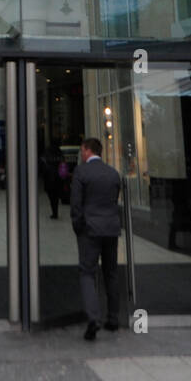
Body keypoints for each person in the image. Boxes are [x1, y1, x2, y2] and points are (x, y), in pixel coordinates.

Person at [71, 136, 123, 341]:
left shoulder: (81, 172)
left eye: (82, 150)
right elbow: (114, 200)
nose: (81, 154)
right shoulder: (113, 173)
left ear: (87, 150)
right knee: (111, 272)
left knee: (87, 273)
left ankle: (93, 317)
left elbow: (76, 204)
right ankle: (113, 318)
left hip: (90, 230)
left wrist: (78, 227)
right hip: (111, 228)